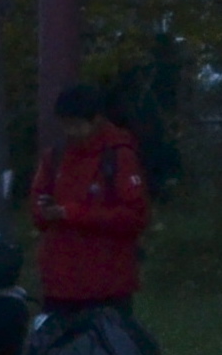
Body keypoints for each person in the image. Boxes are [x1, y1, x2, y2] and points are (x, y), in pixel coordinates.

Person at [31, 84, 152, 312]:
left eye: (76, 125)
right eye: (66, 125)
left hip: (107, 285)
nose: (70, 132)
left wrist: (72, 213)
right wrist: (45, 211)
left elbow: (134, 217)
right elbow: (37, 202)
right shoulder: (55, 157)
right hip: (60, 283)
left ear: (96, 120)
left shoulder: (119, 156)